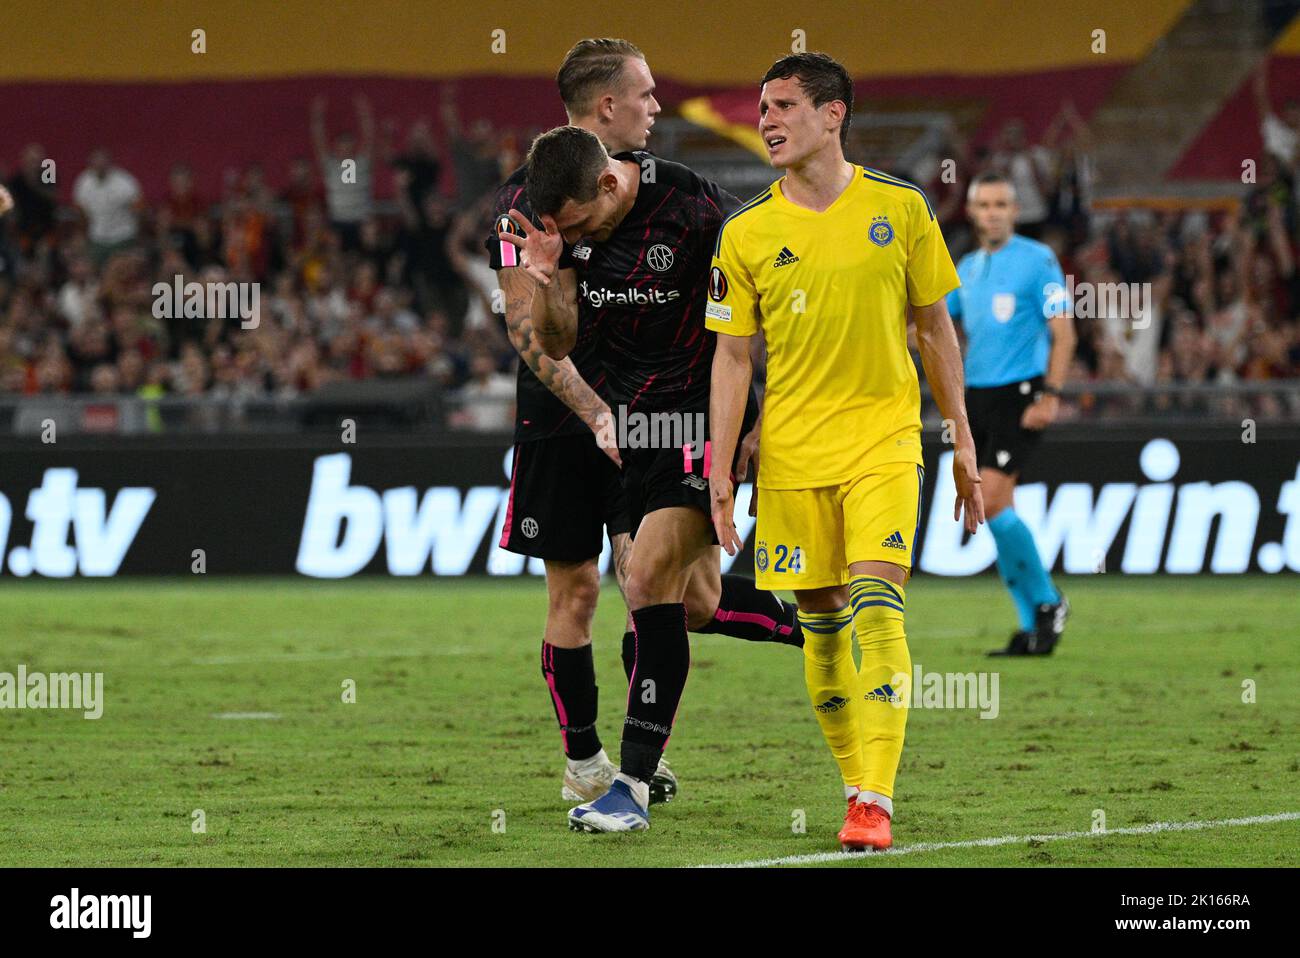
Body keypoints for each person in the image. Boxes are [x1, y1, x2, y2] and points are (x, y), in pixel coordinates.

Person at [487, 39, 801, 817]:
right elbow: (532, 335)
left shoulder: (686, 199)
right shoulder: (523, 207)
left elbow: (751, 294)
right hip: (565, 417)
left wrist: (757, 409)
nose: (658, 106)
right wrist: (593, 410)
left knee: (676, 595)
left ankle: (799, 622)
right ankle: (590, 766)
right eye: (647, 94)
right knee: (580, 589)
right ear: (606, 107)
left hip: (659, 414)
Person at [706, 53, 983, 851]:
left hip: (885, 440)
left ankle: (875, 799)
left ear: (834, 115)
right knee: (821, 622)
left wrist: (962, 438)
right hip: (790, 453)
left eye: (784, 105)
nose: (766, 120)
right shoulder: (747, 231)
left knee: (877, 600)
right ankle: (854, 782)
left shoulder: (899, 208)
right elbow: (732, 358)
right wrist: (721, 470)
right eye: (763, 107)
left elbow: (935, 329)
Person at [949, 172, 1076, 655]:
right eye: (985, 205)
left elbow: (1064, 333)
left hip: (1019, 394)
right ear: (974, 212)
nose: (994, 212)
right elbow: (934, 322)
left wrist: (1051, 394)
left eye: (1002, 204)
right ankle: (1030, 626)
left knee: (995, 502)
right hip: (976, 398)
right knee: (996, 511)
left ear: (1015, 211)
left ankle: (1047, 601)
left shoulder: (1037, 259)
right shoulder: (968, 267)